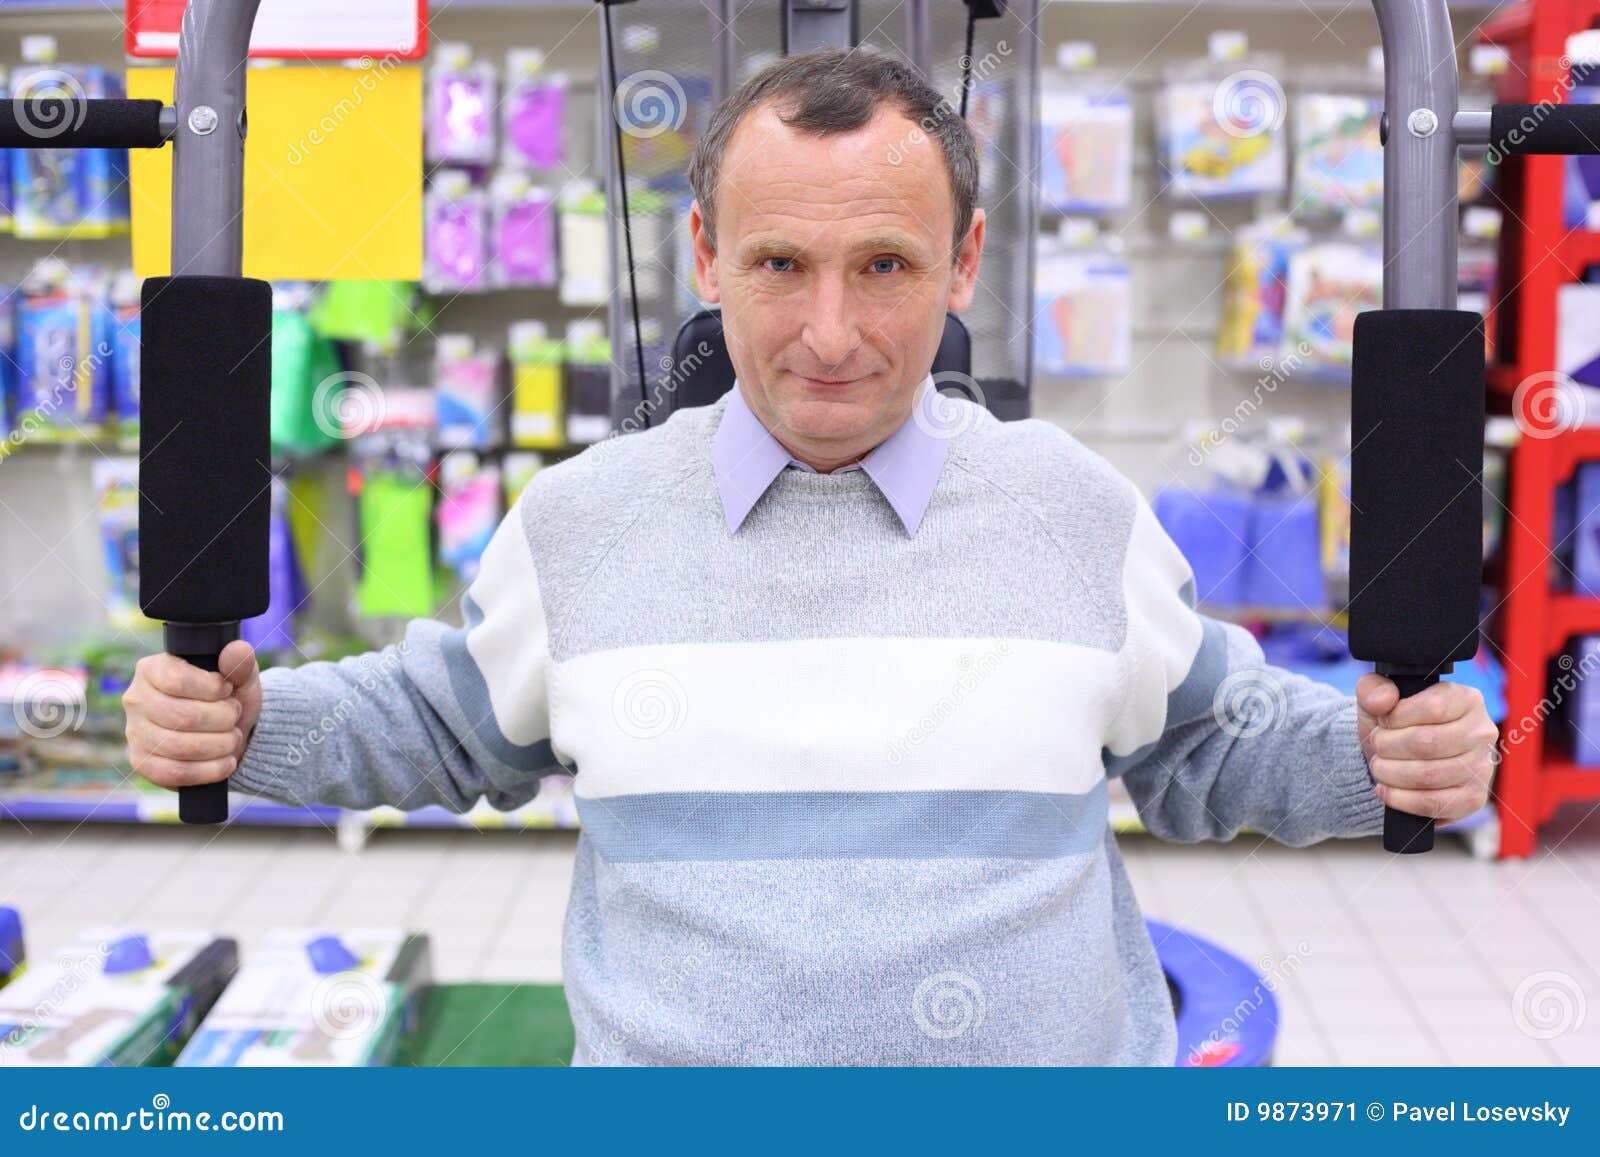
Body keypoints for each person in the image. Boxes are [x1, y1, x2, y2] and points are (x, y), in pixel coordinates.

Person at [123, 48, 1497, 1065]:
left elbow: (1209, 745)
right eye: (780, 265)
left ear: (964, 263)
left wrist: (1382, 759)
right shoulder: (581, 523)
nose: (830, 335)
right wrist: (241, 725)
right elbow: (437, 725)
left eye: (885, 267)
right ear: (707, 255)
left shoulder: (1074, 510)